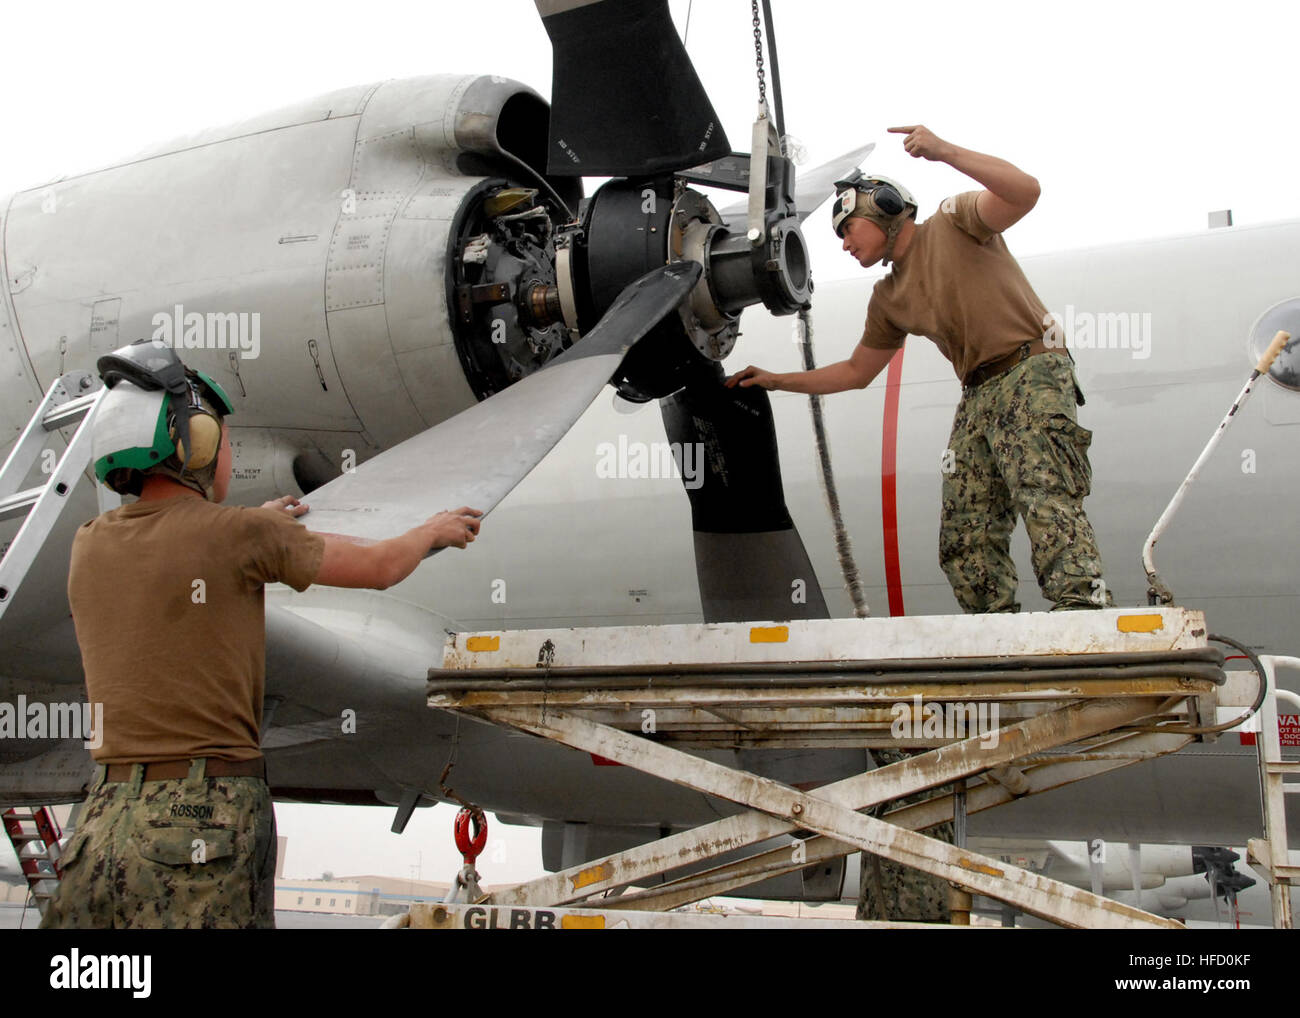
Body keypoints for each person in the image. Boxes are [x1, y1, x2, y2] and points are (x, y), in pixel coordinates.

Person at [41, 341, 483, 929]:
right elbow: (380, 567)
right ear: (191, 443)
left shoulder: (90, 542)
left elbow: (181, 553)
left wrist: (260, 530)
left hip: (103, 820)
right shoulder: (240, 536)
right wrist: (432, 531)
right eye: (222, 440)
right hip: (201, 819)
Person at [728, 125, 1111, 614]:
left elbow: (1024, 191)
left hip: (1031, 370)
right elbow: (855, 372)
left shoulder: (955, 222)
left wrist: (945, 151)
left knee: (1044, 496)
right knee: (964, 527)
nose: (844, 243)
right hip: (979, 391)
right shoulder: (888, 298)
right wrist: (777, 380)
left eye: (847, 228)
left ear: (886, 210)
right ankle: (993, 631)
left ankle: (1081, 613)